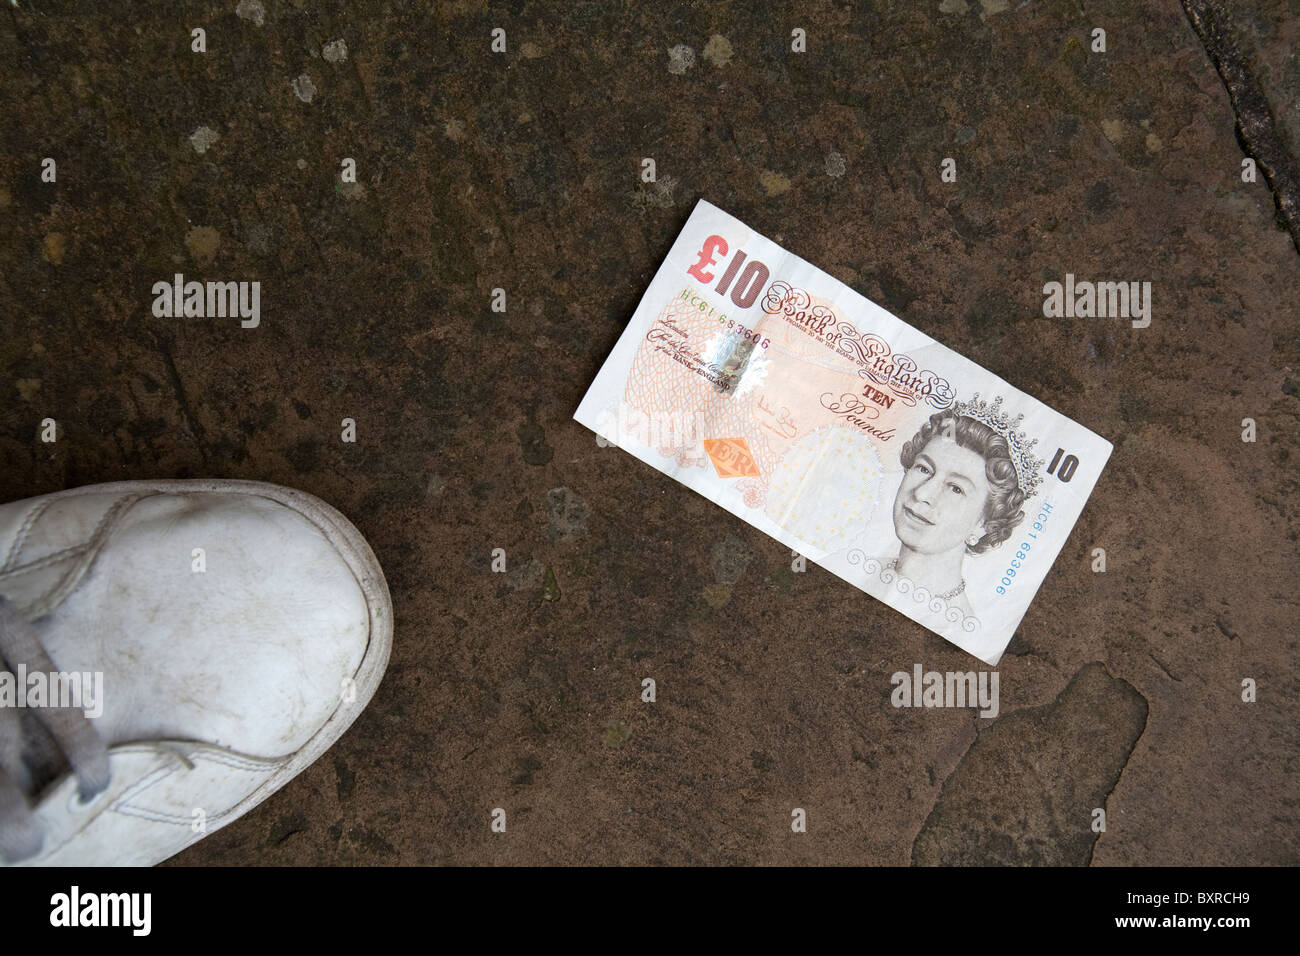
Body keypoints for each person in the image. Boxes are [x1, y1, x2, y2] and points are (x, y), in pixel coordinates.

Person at [880, 408, 1028, 620]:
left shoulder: (960, 629)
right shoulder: (853, 567)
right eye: (923, 469)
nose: (922, 493)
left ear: (985, 523)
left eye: (956, 488)